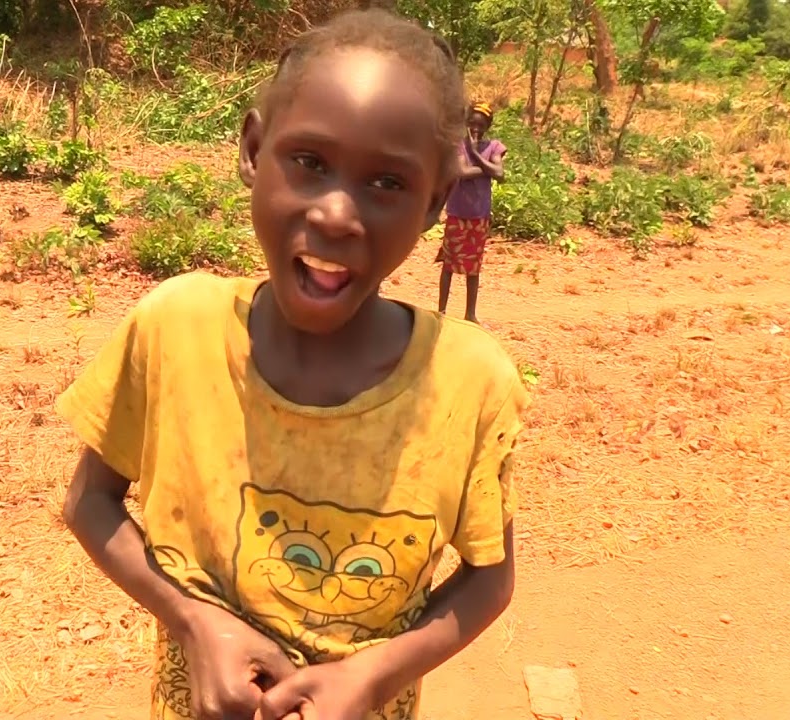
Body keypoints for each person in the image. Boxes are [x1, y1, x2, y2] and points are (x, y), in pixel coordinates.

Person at [57, 9, 528, 720]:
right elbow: (89, 502)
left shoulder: (468, 382)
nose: (336, 213)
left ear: (436, 200)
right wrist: (194, 622)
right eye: (309, 162)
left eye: (387, 183)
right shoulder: (175, 329)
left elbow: (490, 579)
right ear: (254, 149)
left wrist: (371, 678)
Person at [436, 101, 506, 324]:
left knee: (473, 268)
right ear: (466, 123)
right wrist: (487, 169)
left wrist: (475, 153)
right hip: (457, 212)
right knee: (449, 265)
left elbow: (500, 174)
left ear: (488, 126)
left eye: (481, 125)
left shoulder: (494, 146)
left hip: (479, 215)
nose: (476, 129)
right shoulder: (458, 145)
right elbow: (462, 172)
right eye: (472, 124)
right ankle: (441, 311)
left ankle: (470, 314)